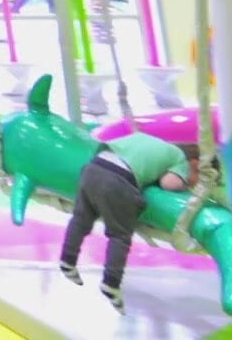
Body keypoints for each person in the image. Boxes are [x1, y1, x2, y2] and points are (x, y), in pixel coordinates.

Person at [58, 130, 191, 312]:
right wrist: (185, 183)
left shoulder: (143, 138)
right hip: (118, 180)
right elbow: (169, 183)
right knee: (120, 234)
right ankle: (111, 282)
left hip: (93, 168)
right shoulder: (179, 157)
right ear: (195, 163)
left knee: (81, 218)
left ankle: (68, 260)